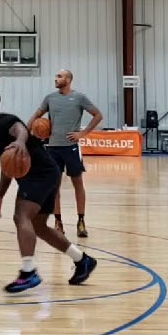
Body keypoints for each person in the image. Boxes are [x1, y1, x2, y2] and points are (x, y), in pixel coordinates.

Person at [0, 88, 96, 293]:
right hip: (45, 174)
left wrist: (20, 142)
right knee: (39, 226)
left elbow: (20, 130)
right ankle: (82, 260)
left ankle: (28, 272)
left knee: (21, 215)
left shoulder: (6, 121)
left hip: (40, 174)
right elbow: (7, 169)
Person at [29, 69, 105, 238]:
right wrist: (26, 135)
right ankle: (58, 222)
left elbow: (98, 115)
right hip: (52, 148)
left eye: (60, 76)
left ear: (69, 79)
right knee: (54, 187)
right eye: (56, 76)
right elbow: (36, 116)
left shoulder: (79, 98)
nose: (56, 79)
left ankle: (81, 221)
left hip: (71, 147)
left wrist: (83, 133)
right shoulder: (50, 98)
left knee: (77, 183)